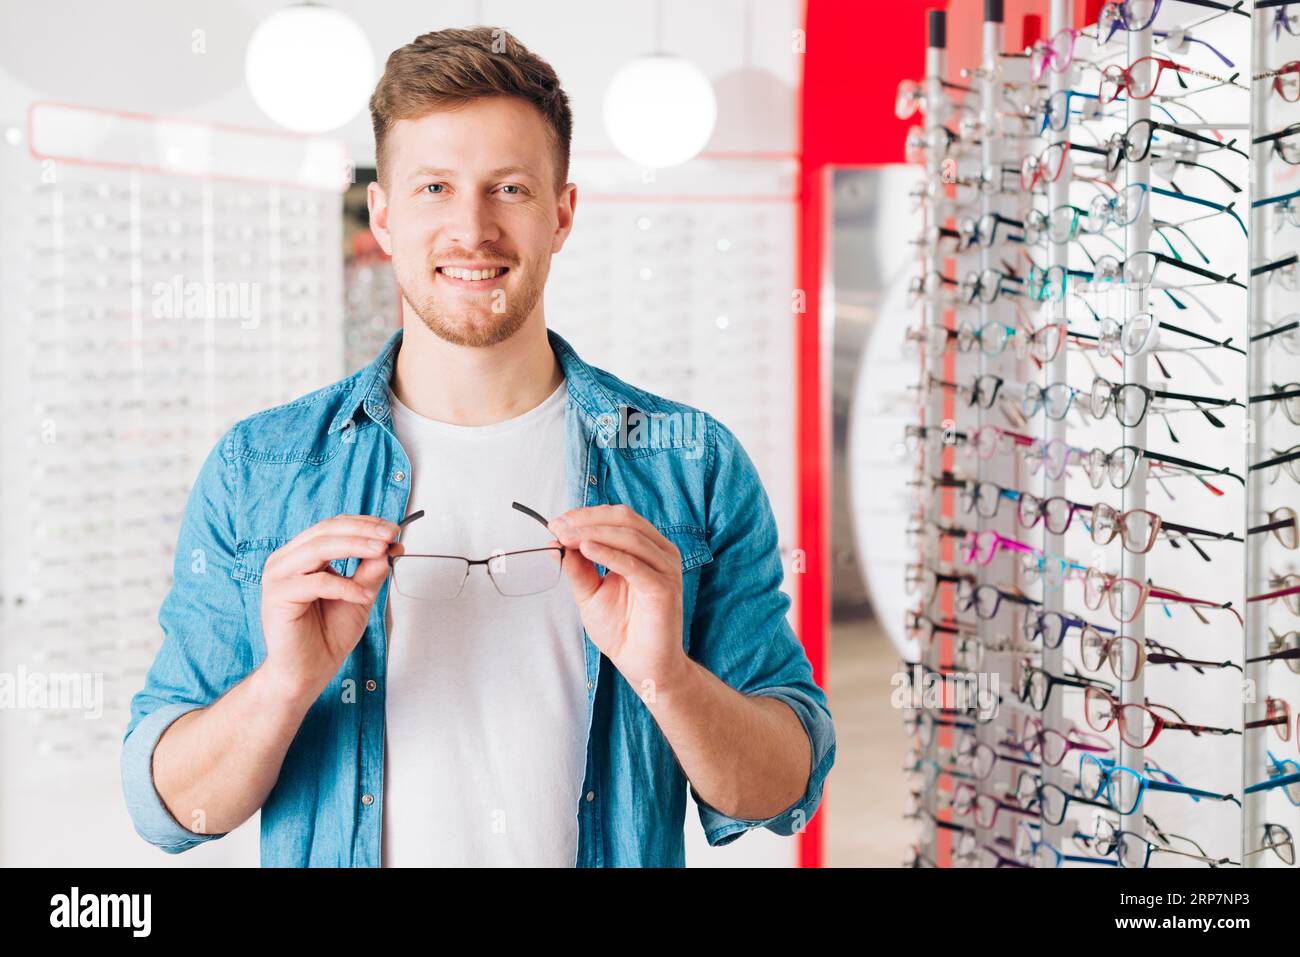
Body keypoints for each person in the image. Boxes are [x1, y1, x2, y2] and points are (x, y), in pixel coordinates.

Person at [121, 25, 834, 867]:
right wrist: (283, 684)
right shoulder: (260, 469)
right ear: (382, 217)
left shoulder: (689, 463)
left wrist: (667, 676)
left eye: (509, 188)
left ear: (562, 213)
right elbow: (170, 807)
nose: (472, 228)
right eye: (433, 187)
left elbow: (786, 786)